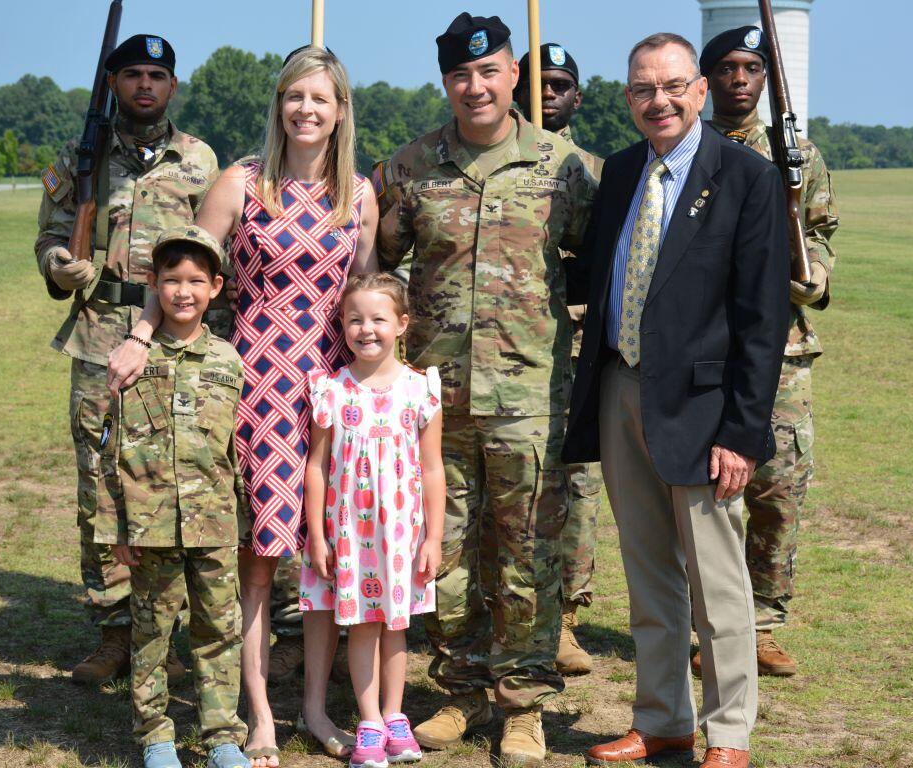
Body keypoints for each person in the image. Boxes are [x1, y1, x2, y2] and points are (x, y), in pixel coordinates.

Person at [107, 46, 377, 767]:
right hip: (252, 386)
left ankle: (316, 708)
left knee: (324, 559)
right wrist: (140, 335)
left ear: (340, 109)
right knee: (256, 561)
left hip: (329, 393)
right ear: (279, 106)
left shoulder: (361, 195)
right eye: (294, 97)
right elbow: (184, 274)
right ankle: (256, 713)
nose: (306, 110)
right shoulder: (241, 184)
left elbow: (368, 300)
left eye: (320, 99)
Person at [372, 13, 598, 766]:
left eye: (490, 71)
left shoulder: (567, 167)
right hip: (435, 401)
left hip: (531, 398)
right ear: (447, 83)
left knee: (529, 554)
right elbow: (372, 262)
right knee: (447, 553)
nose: (476, 86)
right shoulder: (411, 167)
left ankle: (523, 703)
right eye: (461, 76)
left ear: (513, 77)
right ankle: (461, 687)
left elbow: (605, 263)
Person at [562, 33, 788, 768]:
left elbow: (762, 318)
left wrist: (743, 433)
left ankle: (728, 735)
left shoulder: (747, 177)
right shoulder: (624, 171)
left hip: (704, 412)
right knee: (648, 574)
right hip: (622, 391)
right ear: (627, 99)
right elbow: (597, 274)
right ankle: (663, 721)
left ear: (699, 92)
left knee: (718, 586)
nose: (656, 101)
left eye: (671, 86)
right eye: (641, 89)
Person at [34, 33, 222, 685]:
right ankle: (115, 632)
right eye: (133, 74)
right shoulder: (81, 159)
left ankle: (173, 633)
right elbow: (51, 237)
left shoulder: (199, 161)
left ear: (172, 86)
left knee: (176, 484)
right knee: (101, 487)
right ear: (113, 84)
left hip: (176, 342)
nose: (146, 85)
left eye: (157, 75)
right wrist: (60, 266)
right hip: (98, 339)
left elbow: (215, 254)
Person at [691, 26, 840, 678]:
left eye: (751, 67)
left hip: (783, 348)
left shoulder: (798, 154)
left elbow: (824, 232)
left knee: (778, 493)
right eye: (726, 68)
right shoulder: (688, 150)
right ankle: (712, 631)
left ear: (766, 78)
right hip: (709, 348)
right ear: (707, 79)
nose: (739, 79)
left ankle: (764, 623)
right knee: (709, 498)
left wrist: (818, 274)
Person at [109, 225, 251, 768]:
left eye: (196, 281)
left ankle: (221, 739)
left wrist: (243, 519)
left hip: (213, 523)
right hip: (150, 527)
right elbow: (107, 448)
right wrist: (116, 529)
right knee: (151, 633)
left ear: (216, 287)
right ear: (153, 283)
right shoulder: (132, 361)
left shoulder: (228, 361)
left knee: (219, 631)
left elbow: (237, 447)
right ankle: (156, 736)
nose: (183, 292)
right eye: (171, 280)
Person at [302, 273, 446, 768]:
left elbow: (432, 468)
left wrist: (434, 537)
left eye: (378, 319)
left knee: (395, 626)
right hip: (352, 537)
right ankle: (367, 722)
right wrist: (317, 536)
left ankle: (394, 715)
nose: (367, 329)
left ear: (402, 324)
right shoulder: (331, 391)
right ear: (341, 325)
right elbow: (316, 467)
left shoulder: (420, 389)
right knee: (363, 625)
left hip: (403, 535)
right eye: (354, 319)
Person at [513, 43, 603, 677]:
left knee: (576, 486)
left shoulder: (595, 170)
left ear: (578, 96)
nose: (548, 92)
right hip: (513, 353)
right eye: (536, 81)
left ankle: (567, 615)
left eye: (561, 84)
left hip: (576, 349)